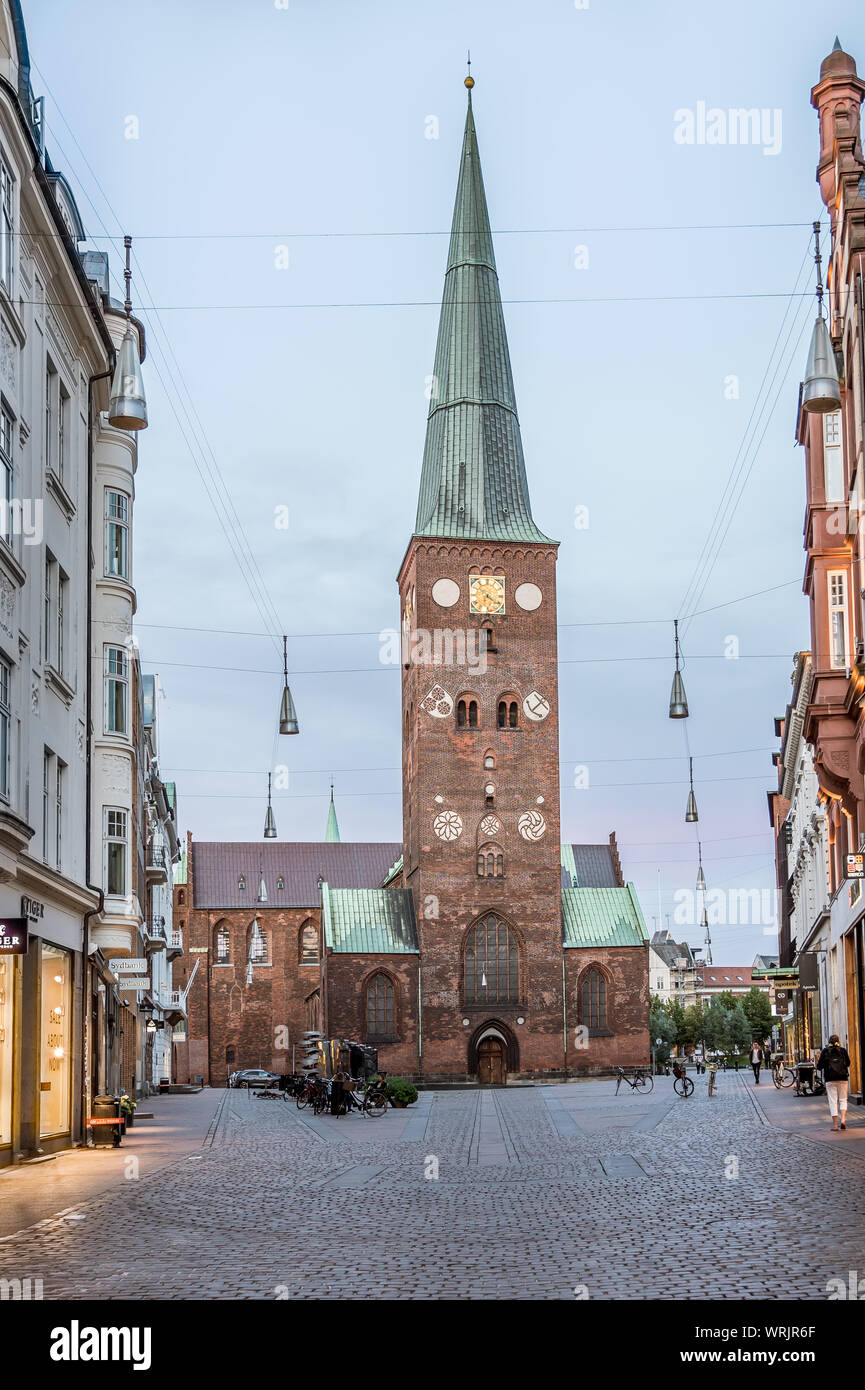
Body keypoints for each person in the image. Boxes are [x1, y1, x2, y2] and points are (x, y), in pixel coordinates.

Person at [816, 1035, 851, 1131]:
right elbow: (848, 1063)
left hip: (830, 1079)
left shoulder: (825, 1051)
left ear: (829, 1041)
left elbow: (819, 1066)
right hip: (843, 1078)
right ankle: (843, 1121)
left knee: (833, 1101)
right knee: (843, 1099)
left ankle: (835, 1125)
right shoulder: (843, 1050)